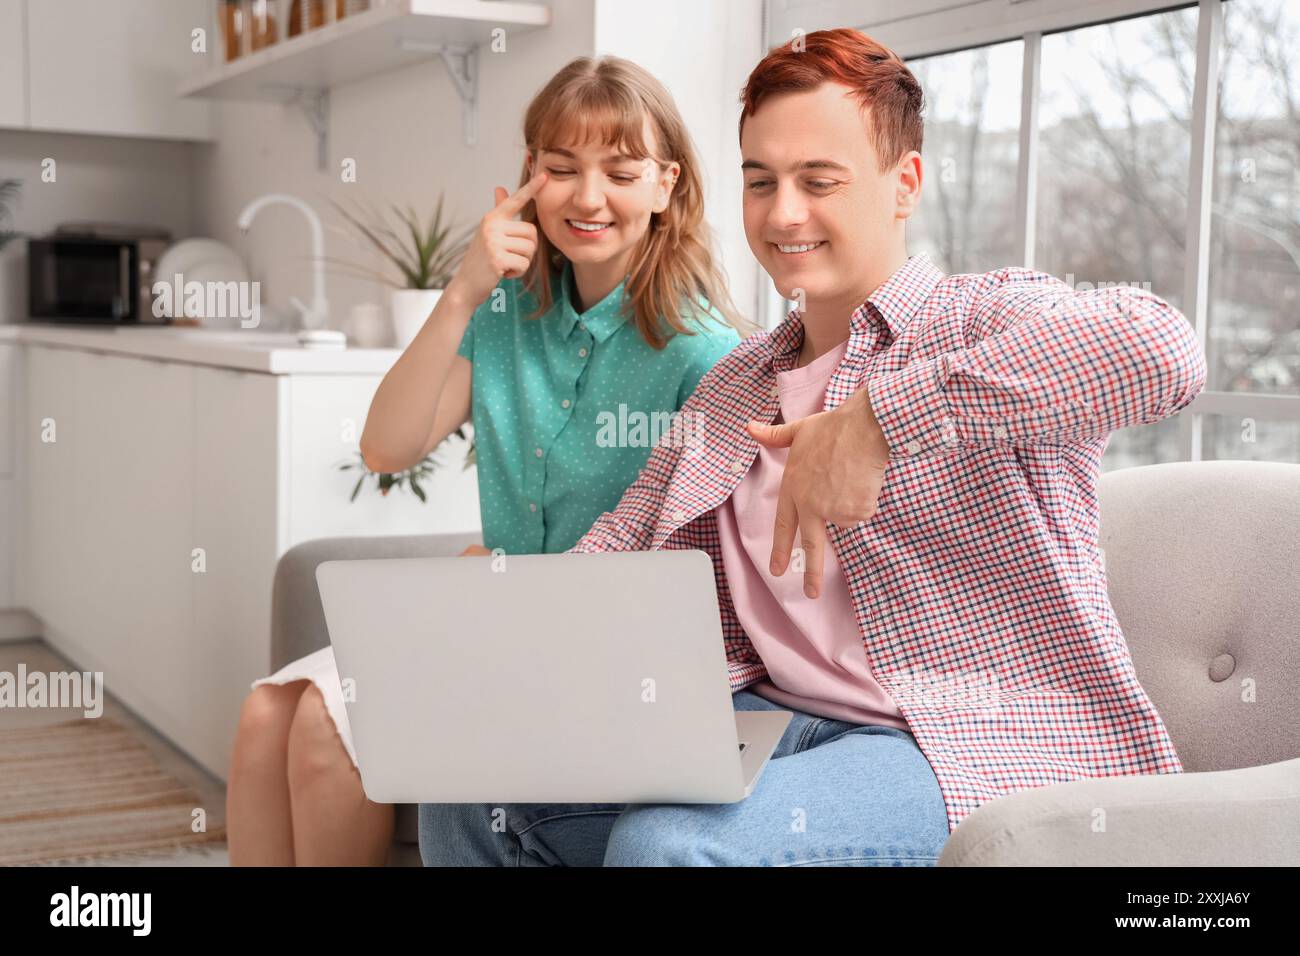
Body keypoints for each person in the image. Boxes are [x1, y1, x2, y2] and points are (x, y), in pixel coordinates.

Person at [418, 27, 1206, 866]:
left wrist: (879, 421)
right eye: (762, 182)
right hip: (764, 720)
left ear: (904, 183)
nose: (783, 213)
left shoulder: (982, 317)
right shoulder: (737, 383)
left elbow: (1163, 350)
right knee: (472, 790)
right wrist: (496, 624)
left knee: (668, 845)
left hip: (951, 739)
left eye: (818, 181)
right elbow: (627, 534)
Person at [226, 55, 752, 866]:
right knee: (267, 719)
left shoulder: (702, 351)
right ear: (528, 179)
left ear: (665, 185)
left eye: (619, 172)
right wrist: (463, 292)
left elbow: (699, 568)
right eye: (561, 168)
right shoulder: (507, 312)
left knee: (324, 732)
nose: (587, 197)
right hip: (489, 627)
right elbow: (386, 448)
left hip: (595, 653)